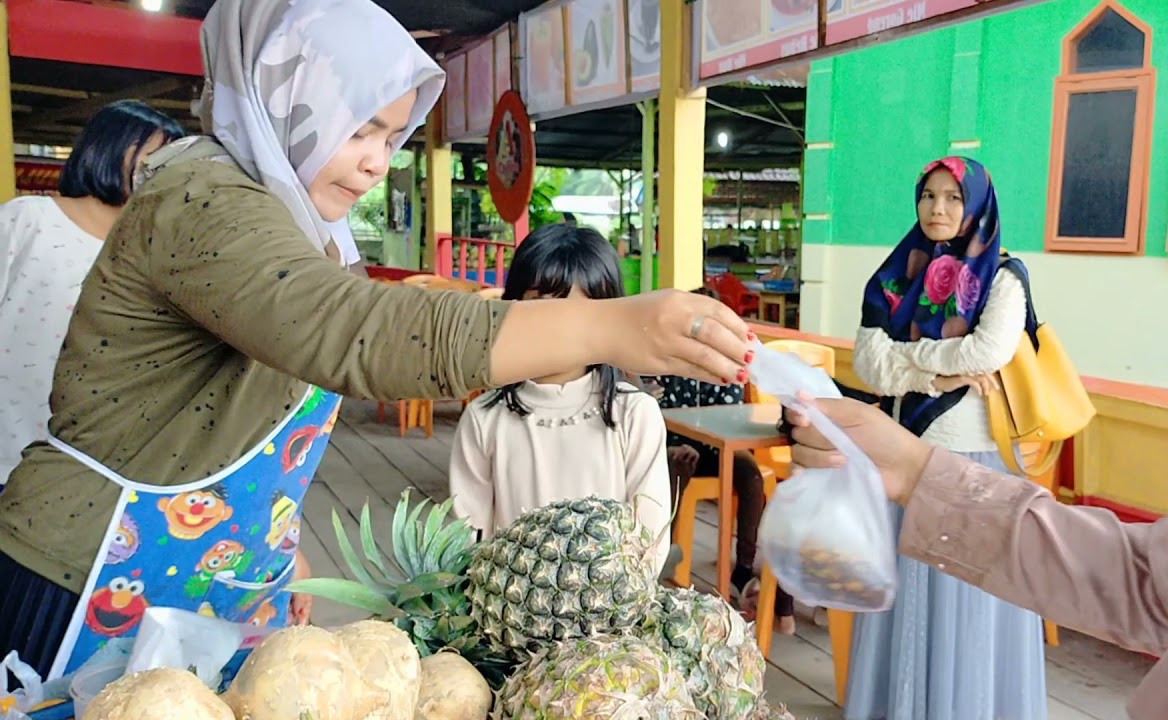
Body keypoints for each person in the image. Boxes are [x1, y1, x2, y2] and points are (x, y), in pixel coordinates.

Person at [0, 0, 751, 681]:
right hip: (85, 570)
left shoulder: (299, 224)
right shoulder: (203, 195)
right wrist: (606, 325)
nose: (376, 161)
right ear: (280, 93)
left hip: (216, 573)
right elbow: (354, 331)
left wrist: (272, 553)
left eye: (393, 135)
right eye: (358, 129)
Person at [784, 396, 1168, 720]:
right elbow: (1147, 580)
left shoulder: (1005, 282)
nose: (938, 225)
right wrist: (916, 473)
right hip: (945, 477)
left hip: (977, 451)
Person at [845, 156, 1045, 719]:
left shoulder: (1005, 278)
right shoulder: (896, 274)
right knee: (907, 591)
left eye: (953, 198)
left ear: (977, 205)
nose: (938, 208)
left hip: (975, 458)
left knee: (968, 599)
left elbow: (987, 352)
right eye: (929, 196)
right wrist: (939, 373)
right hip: (909, 452)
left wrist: (905, 358)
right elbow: (868, 365)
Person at [449, 224, 671, 575]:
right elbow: (467, 540)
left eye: (582, 313)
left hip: (613, 617)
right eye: (545, 309)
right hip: (509, 612)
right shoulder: (484, 418)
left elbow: (651, 540)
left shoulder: (634, 413)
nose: (563, 330)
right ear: (512, 308)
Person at [0, 101, 185, 487]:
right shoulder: (29, 219)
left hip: (84, 475)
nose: (162, 172)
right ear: (107, 147)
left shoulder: (155, 258)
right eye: (153, 157)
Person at [655, 287, 795, 633]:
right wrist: (674, 443)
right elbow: (663, 412)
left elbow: (730, 413)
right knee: (676, 468)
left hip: (720, 449)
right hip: (680, 446)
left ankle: (742, 569)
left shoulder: (727, 363)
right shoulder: (671, 362)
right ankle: (664, 560)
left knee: (750, 477)